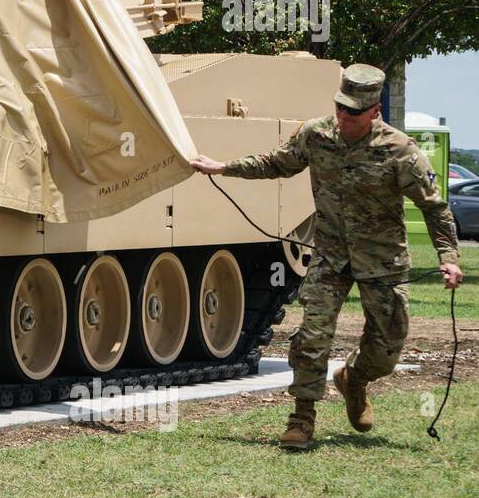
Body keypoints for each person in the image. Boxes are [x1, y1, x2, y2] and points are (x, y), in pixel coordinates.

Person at [189, 63, 462, 450]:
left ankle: (355, 378)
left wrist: (449, 256)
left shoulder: (400, 151)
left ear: (375, 111)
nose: (344, 117)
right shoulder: (316, 135)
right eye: (340, 108)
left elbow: (434, 207)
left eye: (353, 111)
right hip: (330, 256)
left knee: (387, 349)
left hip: (382, 260)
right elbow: (277, 163)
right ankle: (301, 419)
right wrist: (223, 167)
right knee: (313, 334)